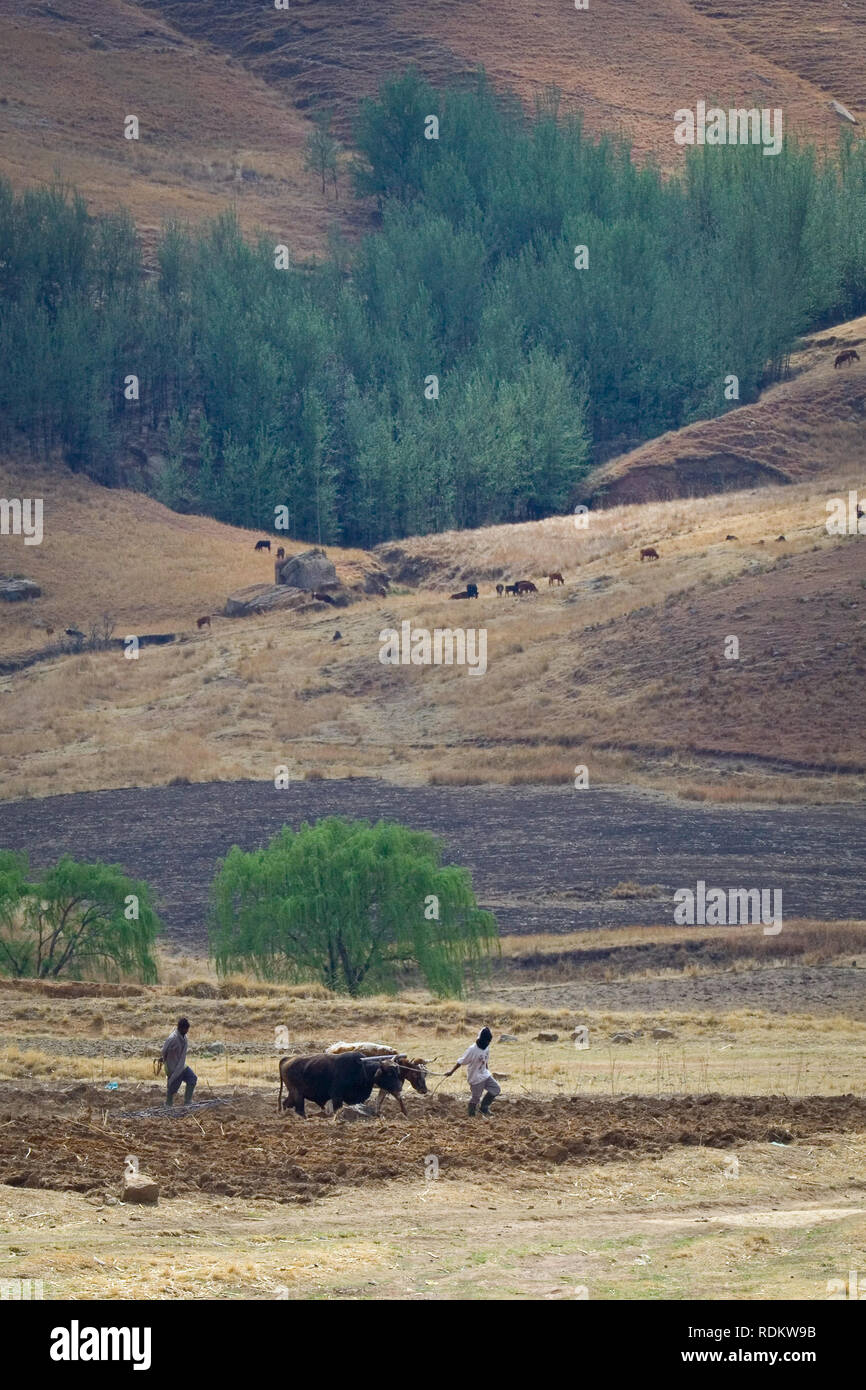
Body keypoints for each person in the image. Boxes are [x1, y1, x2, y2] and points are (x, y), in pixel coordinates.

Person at [445, 1026, 501, 1117]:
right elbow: (461, 1061)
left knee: (496, 1089)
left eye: (488, 1041)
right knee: (476, 1098)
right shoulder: (472, 1050)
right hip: (475, 1078)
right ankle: (471, 1114)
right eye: (486, 1041)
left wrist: (487, 1070)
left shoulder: (486, 1047)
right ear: (480, 1039)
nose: (487, 1043)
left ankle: (484, 1108)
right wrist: (451, 1072)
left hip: (485, 1074)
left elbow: (485, 1060)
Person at [161, 1016, 197, 1107]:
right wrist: (166, 1060)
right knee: (173, 1087)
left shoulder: (184, 1038)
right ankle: (168, 1104)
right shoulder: (172, 1038)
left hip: (181, 1065)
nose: (187, 1031)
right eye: (186, 1029)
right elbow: (164, 1051)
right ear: (181, 1028)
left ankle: (187, 1101)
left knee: (192, 1078)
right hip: (172, 1066)